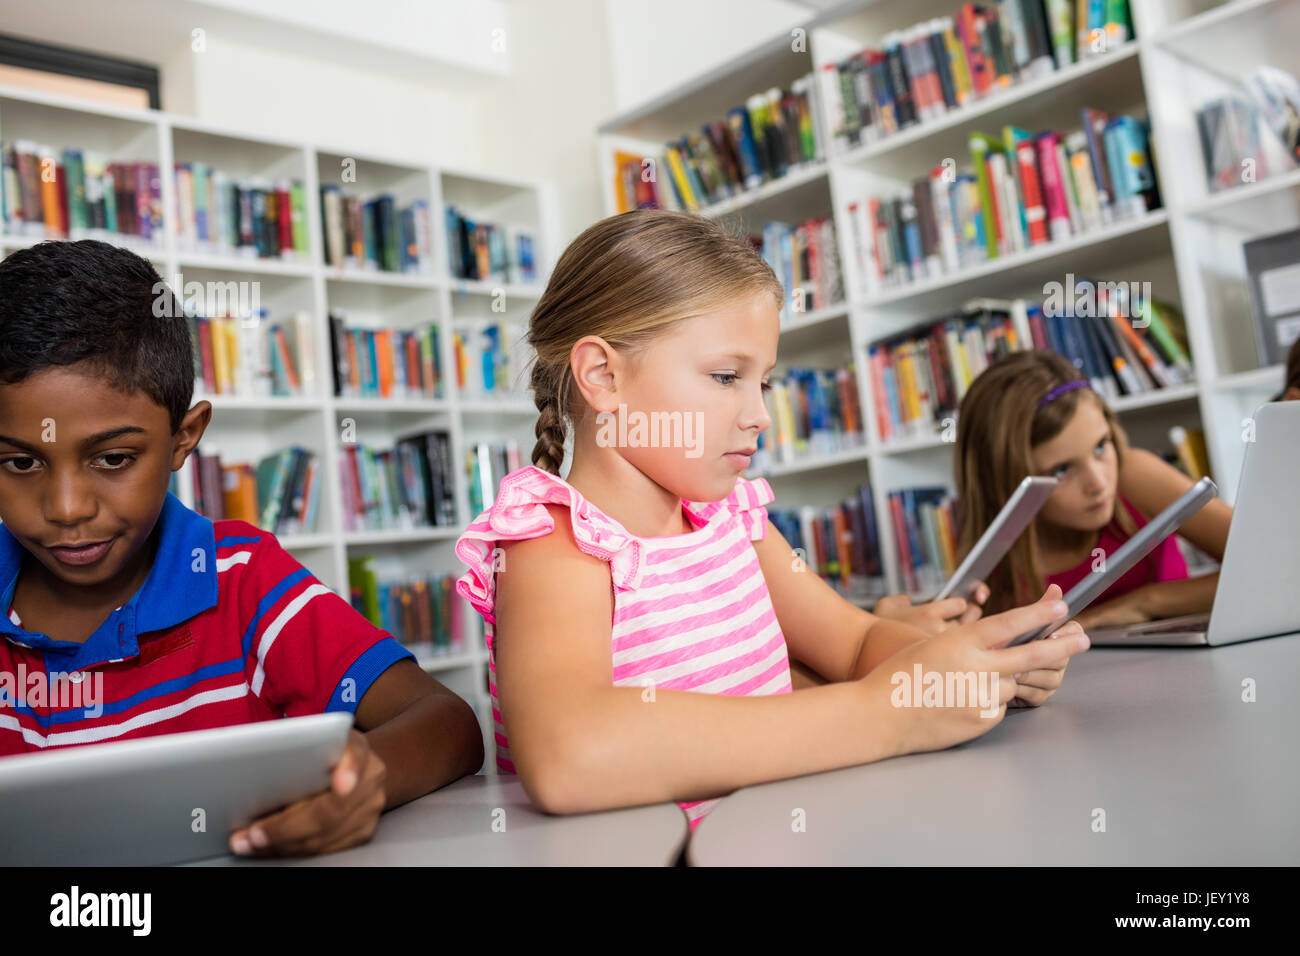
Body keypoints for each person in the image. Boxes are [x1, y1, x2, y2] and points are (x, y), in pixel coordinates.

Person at [454, 209, 1087, 829]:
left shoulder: (732, 518)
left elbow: (858, 643)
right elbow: (569, 755)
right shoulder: (550, 543)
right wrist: (889, 711)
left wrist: (979, 665)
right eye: (727, 376)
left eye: (765, 384)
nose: (759, 416)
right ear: (602, 375)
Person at [0, 240, 483, 856]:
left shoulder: (242, 581)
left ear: (184, 438)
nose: (67, 507)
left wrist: (362, 779)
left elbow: (451, 724)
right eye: (20, 461)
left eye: (114, 458)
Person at [953, 350, 1232, 629]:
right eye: (1061, 470)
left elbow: (1268, 561)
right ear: (1005, 482)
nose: (1098, 483)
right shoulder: (993, 567)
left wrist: (1144, 603)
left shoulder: (1133, 475)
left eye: (1101, 446)